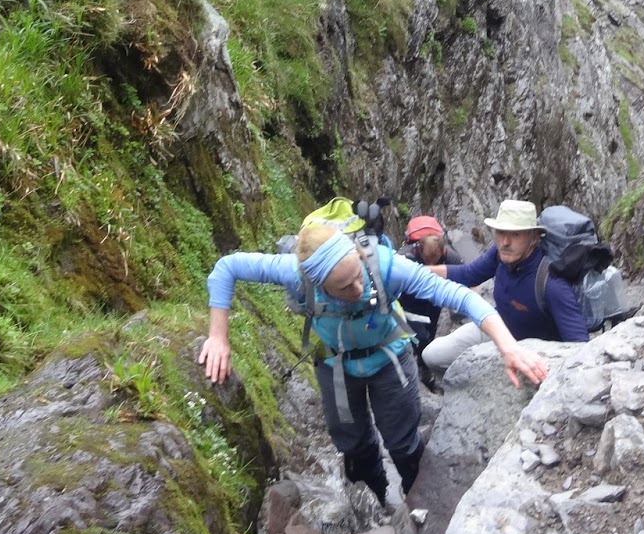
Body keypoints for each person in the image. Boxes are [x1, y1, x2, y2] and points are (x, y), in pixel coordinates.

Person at [198, 220, 548, 504]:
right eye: (345, 286)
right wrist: (218, 336)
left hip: (388, 358)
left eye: (357, 275)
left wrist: (507, 346)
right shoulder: (295, 273)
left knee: (402, 441)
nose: (358, 287)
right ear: (318, 284)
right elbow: (225, 268)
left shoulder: (385, 265)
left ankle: (416, 501)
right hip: (336, 365)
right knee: (351, 443)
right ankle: (376, 499)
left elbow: (456, 294)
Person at [421, 199, 588, 374]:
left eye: (516, 234)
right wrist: (417, 272)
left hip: (530, 350)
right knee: (432, 355)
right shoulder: (500, 254)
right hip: (495, 325)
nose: (505, 242)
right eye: (501, 232)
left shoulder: (551, 283)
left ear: (534, 238)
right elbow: (469, 274)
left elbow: (579, 347)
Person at [396, 215, 461, 390]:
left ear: (442, 251)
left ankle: (424, 370)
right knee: (419, 338)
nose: (433, 263)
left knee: (430, 336)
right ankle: (412, 370)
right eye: (428, 259)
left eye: (436, 259)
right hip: (408, 301)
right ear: (419, 248)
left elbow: (465, 272)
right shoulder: (405, 256)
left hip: (433, 299)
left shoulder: (449, 255)